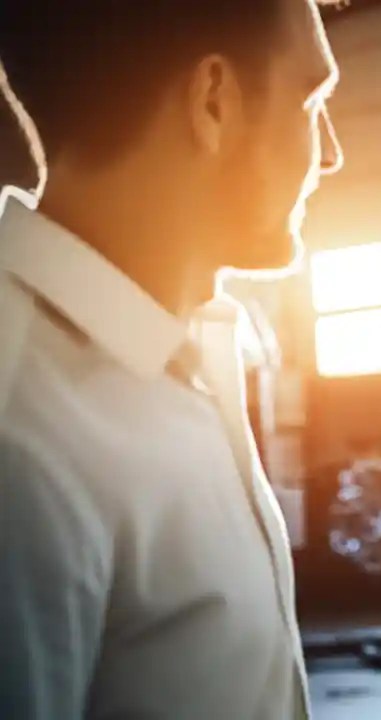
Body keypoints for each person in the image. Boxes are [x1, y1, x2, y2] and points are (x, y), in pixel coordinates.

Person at [0, 1, 344, 718]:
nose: (331, 152)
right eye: (311, 101)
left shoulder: (192, 356)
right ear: (214, 101)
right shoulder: (23, 437)